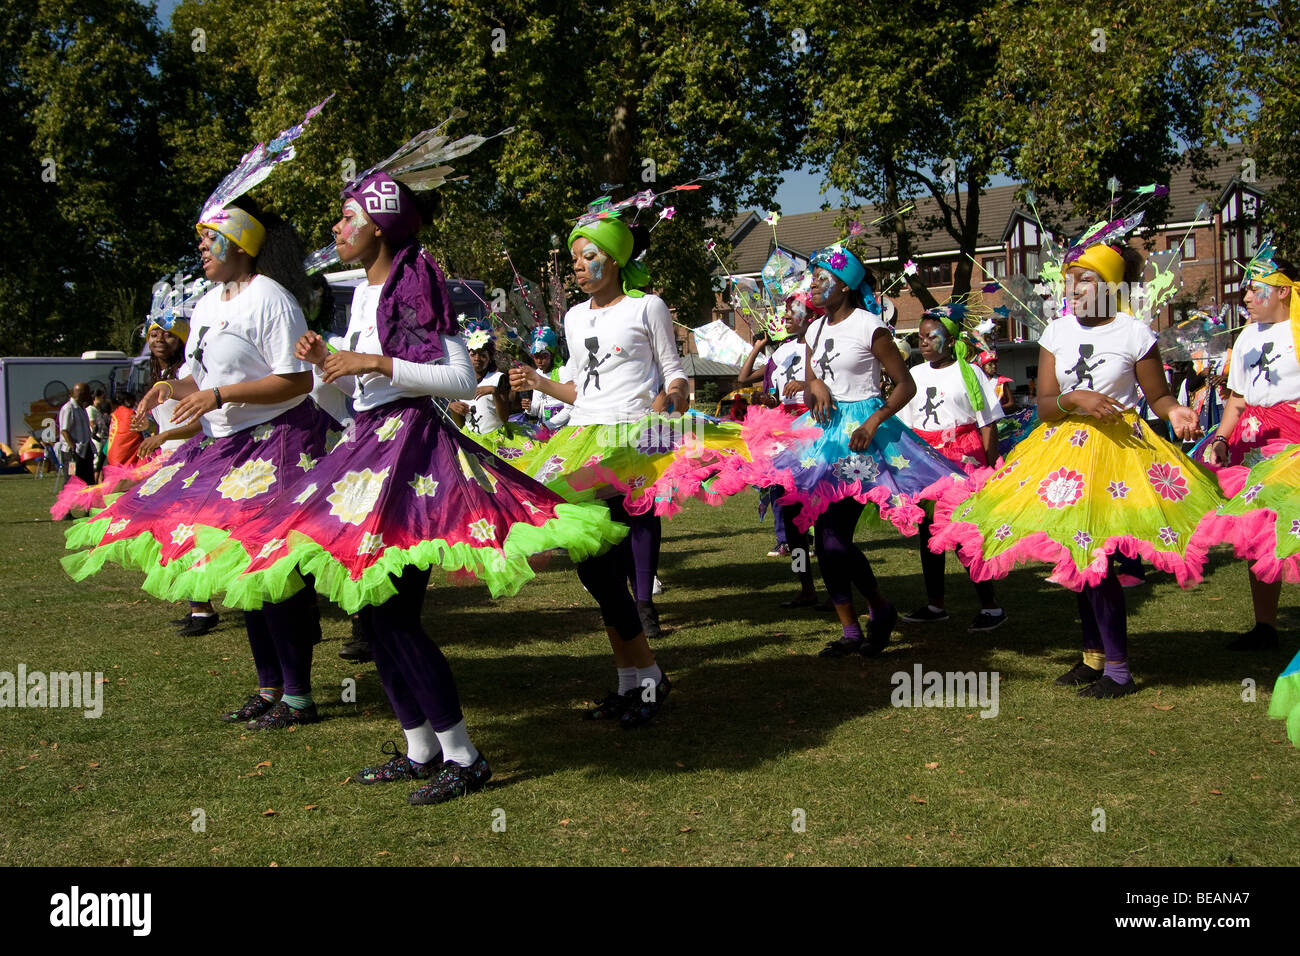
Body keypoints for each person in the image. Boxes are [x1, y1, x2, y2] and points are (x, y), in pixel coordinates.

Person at [163, 145, 624, 801]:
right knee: (375, 616)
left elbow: (457, 377)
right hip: (366, 452)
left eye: (346, 218)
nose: (334, 230)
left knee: (395, 617)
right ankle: (419, 747)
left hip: (412, 459)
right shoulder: (366, 291)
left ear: (378, 224)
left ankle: (464, 758)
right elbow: (354, 383)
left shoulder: (415, 278)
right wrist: (331, 362)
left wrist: (371, 366)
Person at [63, 185, 333, 730]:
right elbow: (207, 375)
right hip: (227, 445)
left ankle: (299, 696)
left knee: (269, 569)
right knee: (236, 567)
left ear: (240, 245)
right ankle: (268, 685)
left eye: (211, 241)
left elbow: (297, 380)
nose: (202, 251)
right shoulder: (208, 304)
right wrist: (173, 388)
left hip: (277, 441)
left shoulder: (272, 299)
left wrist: (217, 396)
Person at [929, 223, 1221, 697]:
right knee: (1076, 555)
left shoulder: (1133, 332)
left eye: (1084, 279)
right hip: (1062, 451)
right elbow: (1045, 404)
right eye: (1069, 280)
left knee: (1100, 560)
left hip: (1119, 455)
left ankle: (1119, 671)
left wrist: (1178, 411)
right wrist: (1077, 399)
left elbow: (1160, 396)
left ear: (1109, 285)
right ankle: (1092, 657)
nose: (1073, 288)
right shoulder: (1057, 332)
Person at [509, 211, 750, 724]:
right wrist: (536, 380)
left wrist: (678, 395)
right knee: (593, 569)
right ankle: (635, 682)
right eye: (574, 256)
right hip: (581, 442)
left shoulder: (648, 306)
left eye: (588, 255)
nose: (578, 265)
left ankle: (646, 682)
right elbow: (577, 388)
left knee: (603, 568)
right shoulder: (574, 318)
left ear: (614, 260)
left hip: (633, 441)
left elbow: (673, 369)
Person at [742, 243, 967, 658]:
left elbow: (905, 385)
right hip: (819, 436)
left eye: (821, 277)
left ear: (844, 286)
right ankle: (854, 628)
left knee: (833, 538)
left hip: (862, 436)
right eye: (813, 276)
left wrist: (873, 421)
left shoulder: (870, 327)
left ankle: (879, 610)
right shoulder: (813, 329)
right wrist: (816, 386)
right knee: (824, 538)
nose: (813, 284)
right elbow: (811, 381)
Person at [1203, 252, 1300, 650]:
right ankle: (1266, 627)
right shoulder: (1246, 336)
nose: (1245, 297)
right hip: (1252, 441)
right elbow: (1237, 400)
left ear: (1281, 291)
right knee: (1259, 530)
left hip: (1292, 438)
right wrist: (1222, 439)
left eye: (1254, 289)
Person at [896, 307, 1007, 630]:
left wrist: (989, 467)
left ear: (951, 338)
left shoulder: (970, 372)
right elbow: (906, 423)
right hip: (926, 459)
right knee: (928, 531)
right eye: (921, 337)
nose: (925, 343)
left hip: (963, 458)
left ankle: (990, 606)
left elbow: (988, 424)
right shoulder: (915, 375)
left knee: (961, 532)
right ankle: (935, 604)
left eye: (932, 336)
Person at [521, 326, 571, 430]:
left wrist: (549, 424)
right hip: (543, 425)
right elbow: (536, 407)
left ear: (551, 355)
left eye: (543, 356)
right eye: (536, 356)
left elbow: (570, 407)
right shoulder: (537, 374)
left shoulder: (562, 372)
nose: (539, 361)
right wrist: (529, 407)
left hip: (562, 426)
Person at [58, 383, 95, 488]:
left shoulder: (82, 408)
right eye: (87, 393)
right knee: (73, 480)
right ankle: (70, 503)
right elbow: (64, 430)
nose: (89, 396)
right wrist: (73, 448)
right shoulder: (69, 408)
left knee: (88, 480)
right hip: (73, 454)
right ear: (81, 394)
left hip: (85, 449)